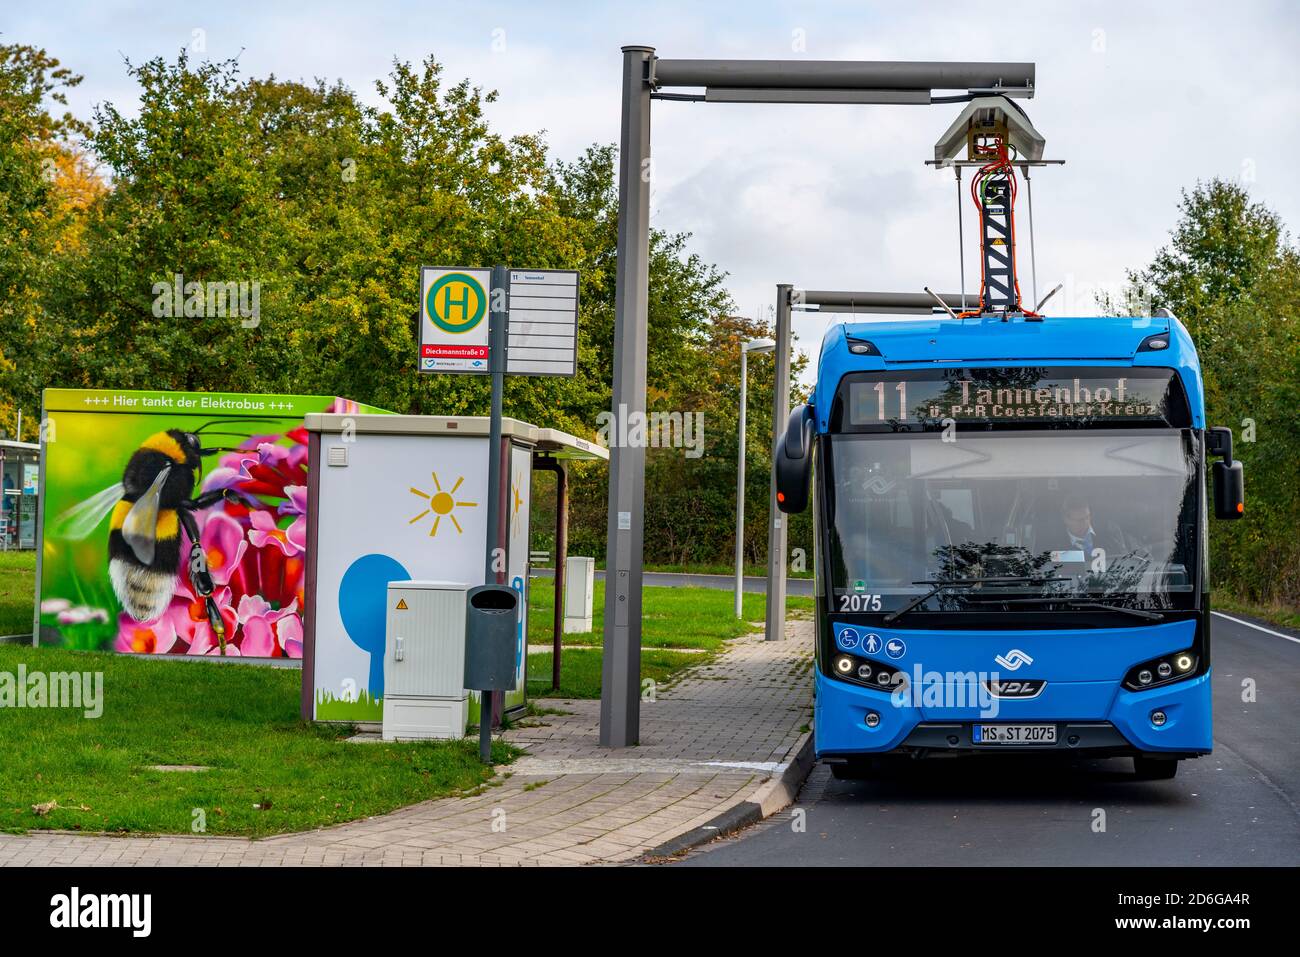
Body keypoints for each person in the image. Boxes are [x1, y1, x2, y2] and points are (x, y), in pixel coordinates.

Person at [1056, 495, 1125, 559]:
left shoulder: (1109, 535)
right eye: (1080, 520)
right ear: (1066, 519)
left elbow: (1121, 562)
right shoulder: (1055, 546)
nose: (1086, 523)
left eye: (1087, 517)